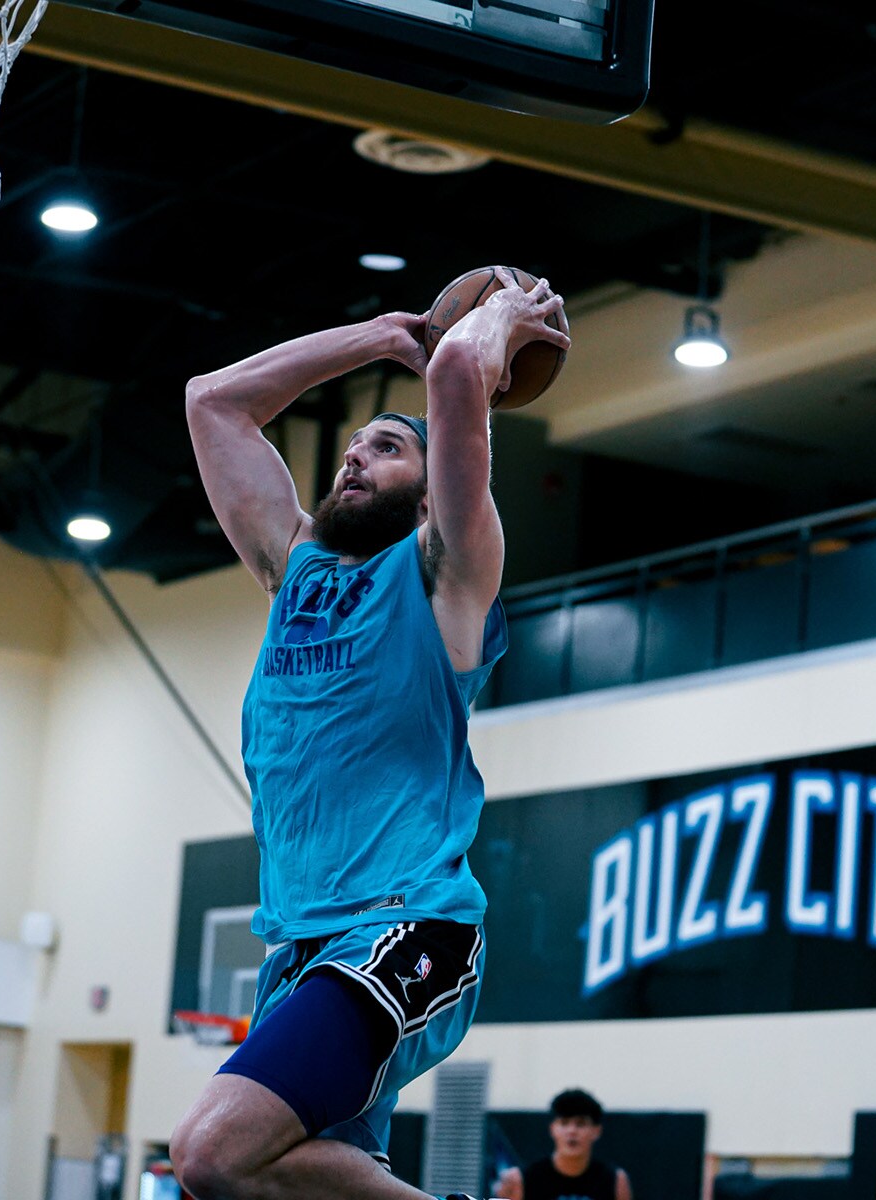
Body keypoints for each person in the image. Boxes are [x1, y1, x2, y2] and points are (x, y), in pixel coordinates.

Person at [170, 269, 572, 1200]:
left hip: (406, 921)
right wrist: (377, 337)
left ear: (433, 496)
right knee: (260, 1179)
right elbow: (213, 404)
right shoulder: (296, 568)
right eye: (350, 446)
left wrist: (497, 321)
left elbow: (458, 386)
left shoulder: (447, 575)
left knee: (208, 1152)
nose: (352, 457)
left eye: (385, 448)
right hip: (301, 946)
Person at [495, 1089, 632, 1200]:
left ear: (596, 1131)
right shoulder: (520, 1180)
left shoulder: (615, 1180)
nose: (572, 1131)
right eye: (564, 1123)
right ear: (552, 1128)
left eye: (581, 1124)